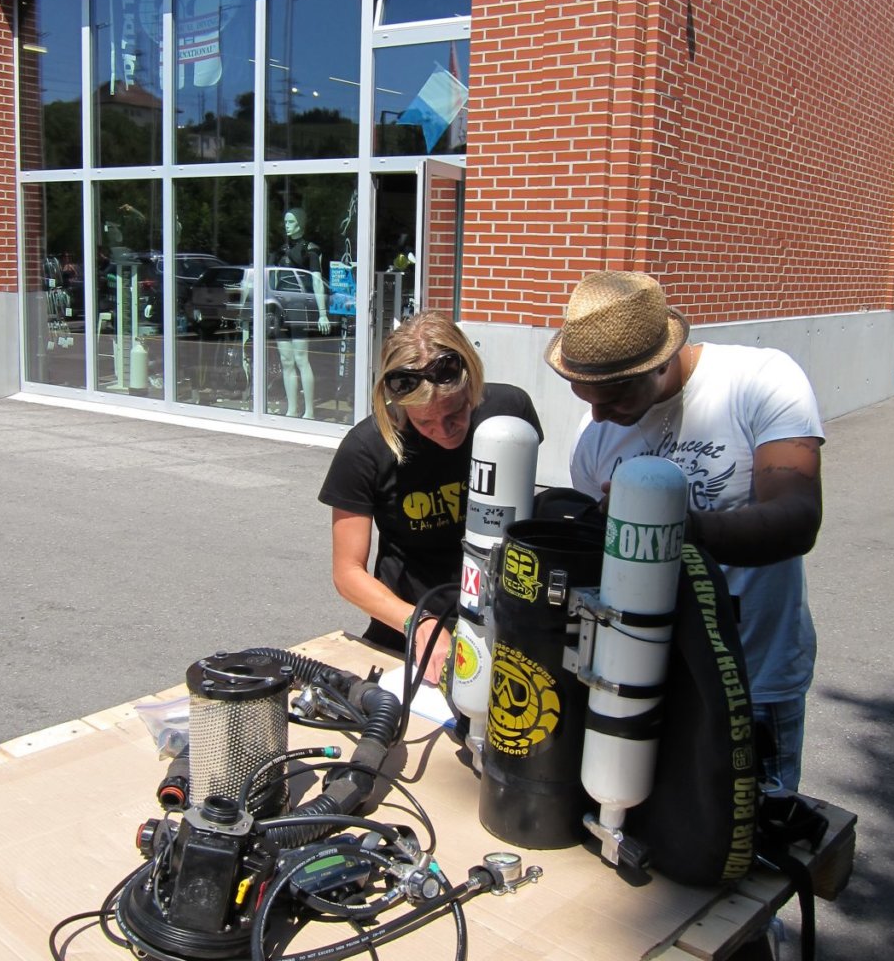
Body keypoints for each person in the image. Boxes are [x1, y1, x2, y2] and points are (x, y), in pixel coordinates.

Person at [545, 270, 823, 793]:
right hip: (644, 678)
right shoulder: (594, 435)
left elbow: (797, 519)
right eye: (586, 395)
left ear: (662, 359)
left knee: (756, 845)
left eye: (616, 394)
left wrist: (670, 528)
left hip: (752, 676)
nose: (599, 413)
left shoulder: (758, 381)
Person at [319, 311, 543, 682]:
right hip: (408, 628)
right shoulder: (365, 449)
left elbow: (523, 520)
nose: (444, 430)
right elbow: (347, 573)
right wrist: (416, 622)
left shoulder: (510, 414)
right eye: (424, 422)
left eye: (456, 412)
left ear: (472, 380)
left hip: (500, 622)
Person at [271, 208, 331, 419]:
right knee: (286, 360)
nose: (286, 225)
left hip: (299, 307)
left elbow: (316, 280)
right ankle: (292, 408)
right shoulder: (280, 251)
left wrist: (323, 313)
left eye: (290, 221)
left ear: (300, 223)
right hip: (280, 307)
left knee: (301, 358)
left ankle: (310, 411)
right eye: (285, 222)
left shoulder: (309, 250)